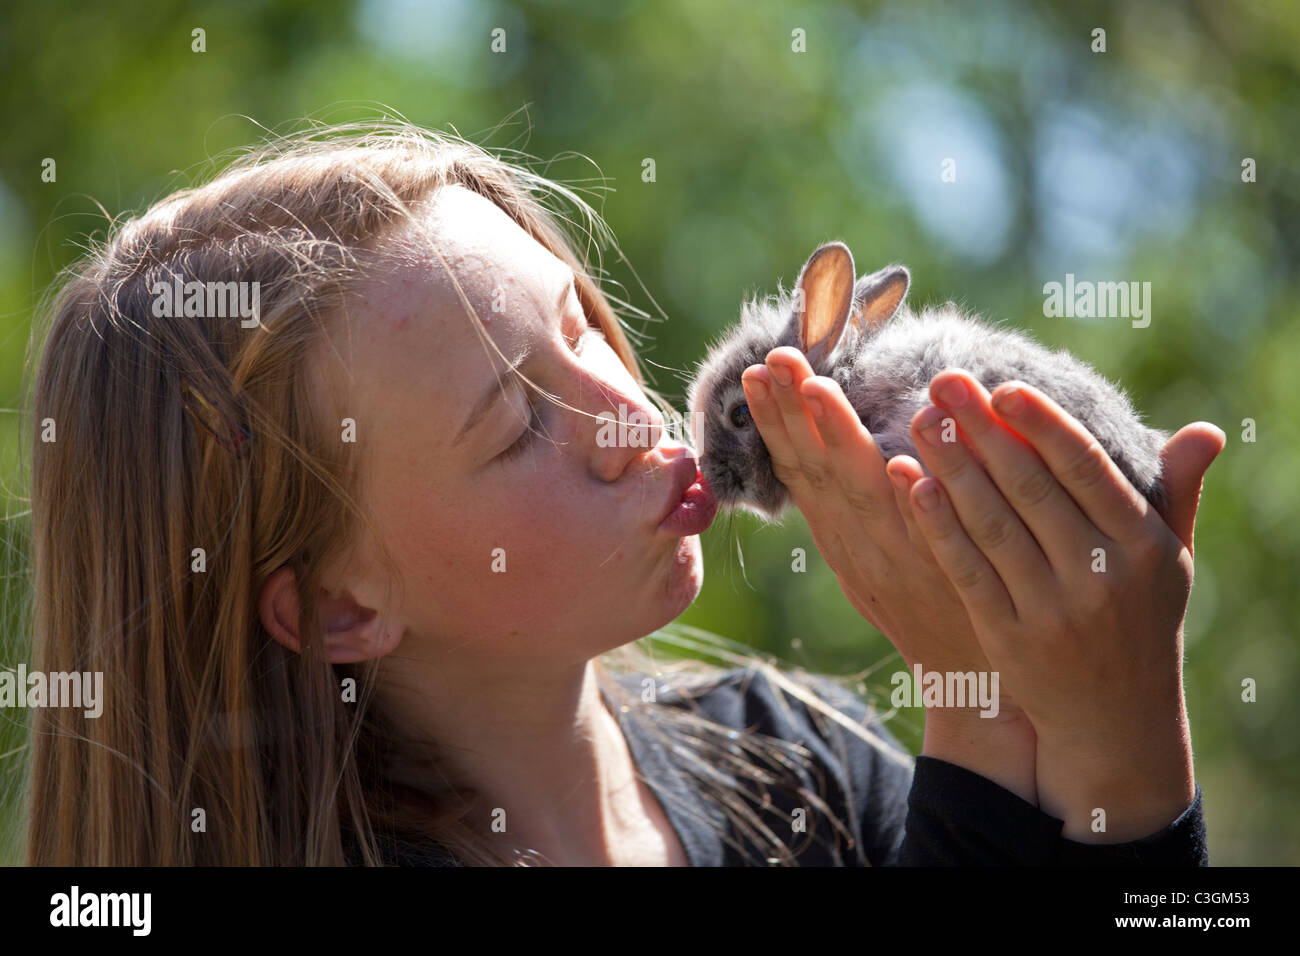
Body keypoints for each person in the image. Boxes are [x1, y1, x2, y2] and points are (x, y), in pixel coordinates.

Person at [22, 122, 1222, 866]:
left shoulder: (794, 759)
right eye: (513, 423)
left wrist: (1101, 731)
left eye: (582, 326)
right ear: (341, 608)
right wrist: (977, 702)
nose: (626, 415)